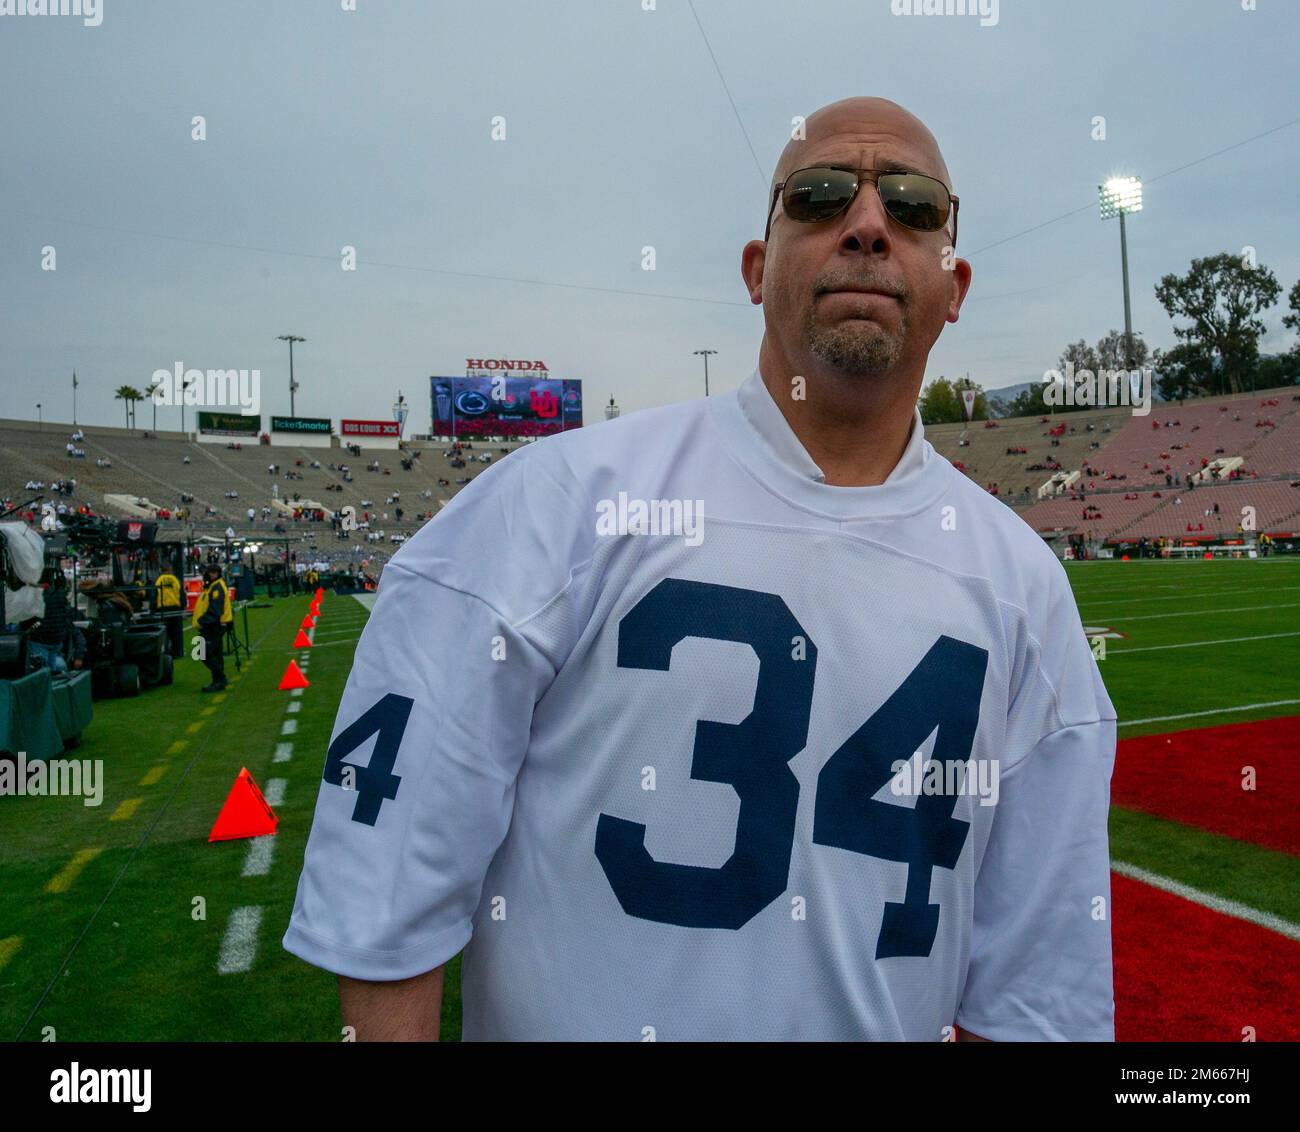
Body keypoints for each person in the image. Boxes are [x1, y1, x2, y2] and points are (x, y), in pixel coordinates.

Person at [285, 97, 1116, 1042]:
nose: (870, 225)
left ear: (954, 283)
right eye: (820, 195)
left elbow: (1039, 1001)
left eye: (916, 208)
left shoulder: (1024, 590)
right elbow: (389, 907)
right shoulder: (557, 506)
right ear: (758, 271)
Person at [192, 564, 231, 692]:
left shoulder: (216, 588)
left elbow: (215, 610)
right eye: (209, 572)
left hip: (213, 625)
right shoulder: (213, 586)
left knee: (202, 652)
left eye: (213, 572)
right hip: (214, 624)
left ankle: (220, 678)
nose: (210, 575)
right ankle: (219, 680)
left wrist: (203, 621)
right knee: (215, 653)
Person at [154, 562, 185, 658]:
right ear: (169, 569)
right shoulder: (175, 580)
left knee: (164, 633)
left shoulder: (158, 581)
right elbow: (182, 594)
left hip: (163, 609)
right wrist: (182, 607)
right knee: (177, 633)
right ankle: (178, 653)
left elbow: (154, 595)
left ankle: (165, 652)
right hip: (175, 609)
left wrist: (154, 609)